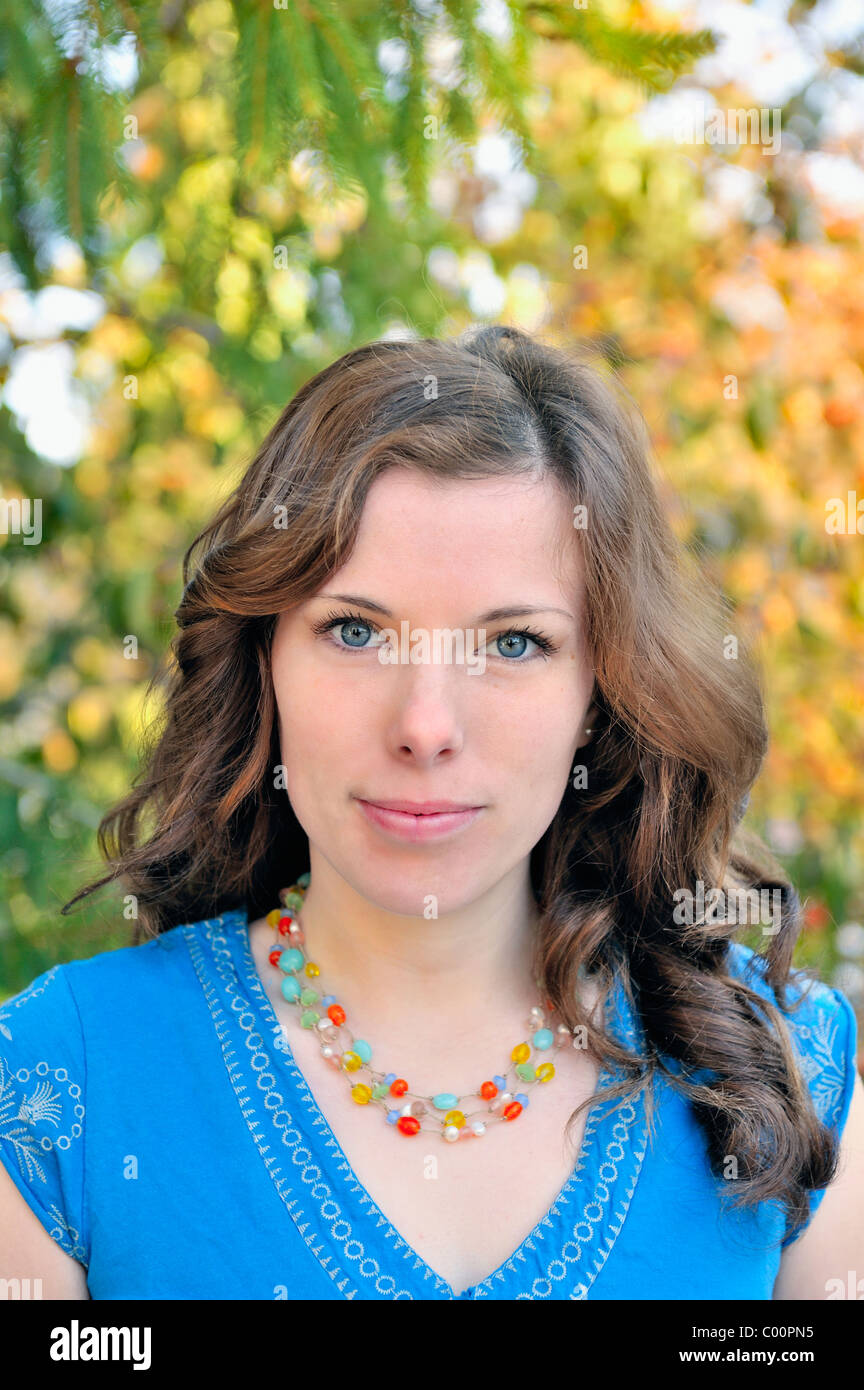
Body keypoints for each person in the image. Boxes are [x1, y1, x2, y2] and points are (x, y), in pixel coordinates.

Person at [1, 325, 862, 1301]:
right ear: (264, 660)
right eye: (356, 629)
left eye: (515, 643)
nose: (424, 725)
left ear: (602, 688)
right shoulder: (59, 1082)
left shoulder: (792, 1074)